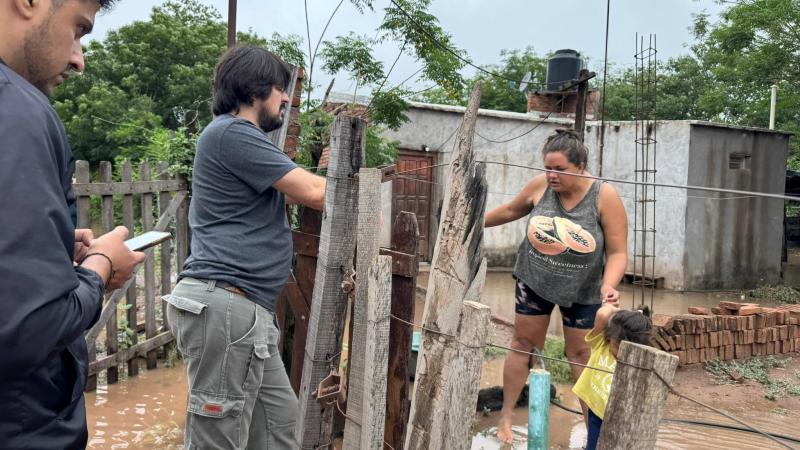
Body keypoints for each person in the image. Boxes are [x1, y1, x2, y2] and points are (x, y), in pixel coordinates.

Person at [163, 45, 327, 449]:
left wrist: (322, 175)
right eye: (279, 88)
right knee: (217, 438)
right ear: (255, 91)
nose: (286, 99)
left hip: (241, 310)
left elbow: (292, 193)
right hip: (226, 304)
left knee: (278, 426)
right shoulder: (232, 132)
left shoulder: (234, 139)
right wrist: (356, 184)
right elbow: (314, 192)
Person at [0, 0, 146, 448]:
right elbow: (28, 328)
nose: (79, 59)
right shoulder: (18, 110)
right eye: (78, 30)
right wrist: (101, 267)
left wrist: (56, 250)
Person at [484, 128, 628, 443]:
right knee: (523, 345)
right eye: (548, 167)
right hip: (534, 280)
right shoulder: (540, 187)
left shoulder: (605, 196)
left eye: (560, 169)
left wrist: (610, 285)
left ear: (581, 166)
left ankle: (594, 435)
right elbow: (510, 210)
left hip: (583, 290)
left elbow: (617, 252)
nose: (552, 175)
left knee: (581, 353)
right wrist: (471, 219)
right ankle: (506, 418)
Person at [573, 304, 653, 449]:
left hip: (622, 418)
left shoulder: (638, 361)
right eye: (616, 345)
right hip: (597, 412)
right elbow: (603, 313)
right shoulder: (601, 344)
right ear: (609, 338)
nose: (619, 352)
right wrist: (623, 313)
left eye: (626, 348)